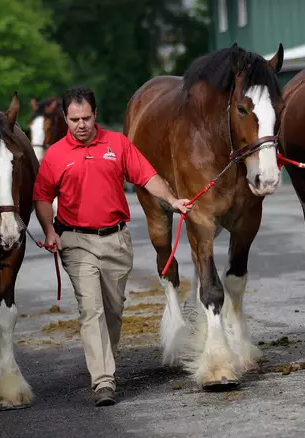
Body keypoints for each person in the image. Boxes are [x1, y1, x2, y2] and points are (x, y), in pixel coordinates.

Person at [33, 85, 190, 407]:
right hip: (76, 241)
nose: (81, 124)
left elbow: (147, 177)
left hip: (116, 239)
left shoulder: (117, 144)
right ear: (64, 118)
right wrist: (50, 229)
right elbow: (42, 197)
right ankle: (103, 380)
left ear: (95, 115)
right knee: (91, 310)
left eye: (86, 118)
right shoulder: (55, 155)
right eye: (74, 119)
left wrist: (173, 200)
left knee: (114, 311)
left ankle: (105, 361)